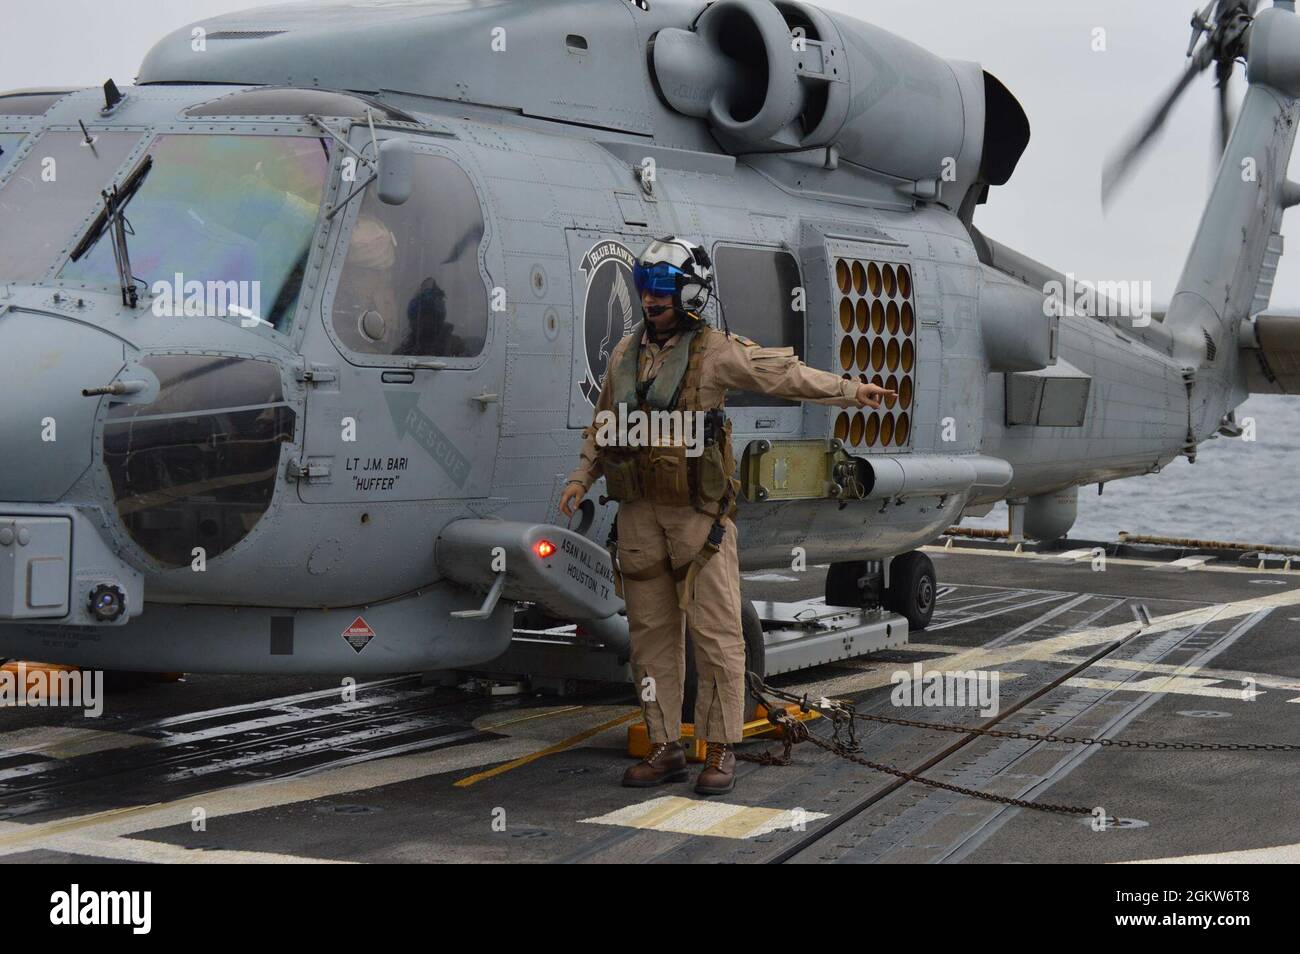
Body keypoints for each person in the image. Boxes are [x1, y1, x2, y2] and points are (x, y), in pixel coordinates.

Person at [559, 236, 893, 795]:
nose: (651, 300)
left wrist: (849, 391)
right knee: (650, 640)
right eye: (646, 289)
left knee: (717, 638)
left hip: (698, 520)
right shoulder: (624, 355)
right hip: (639, 516)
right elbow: (603, 427)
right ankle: (666, 746)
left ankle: (719, 748)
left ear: (688, 293)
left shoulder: (715, 352)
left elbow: (782, 375)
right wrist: (580, 477)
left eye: (662, 289)